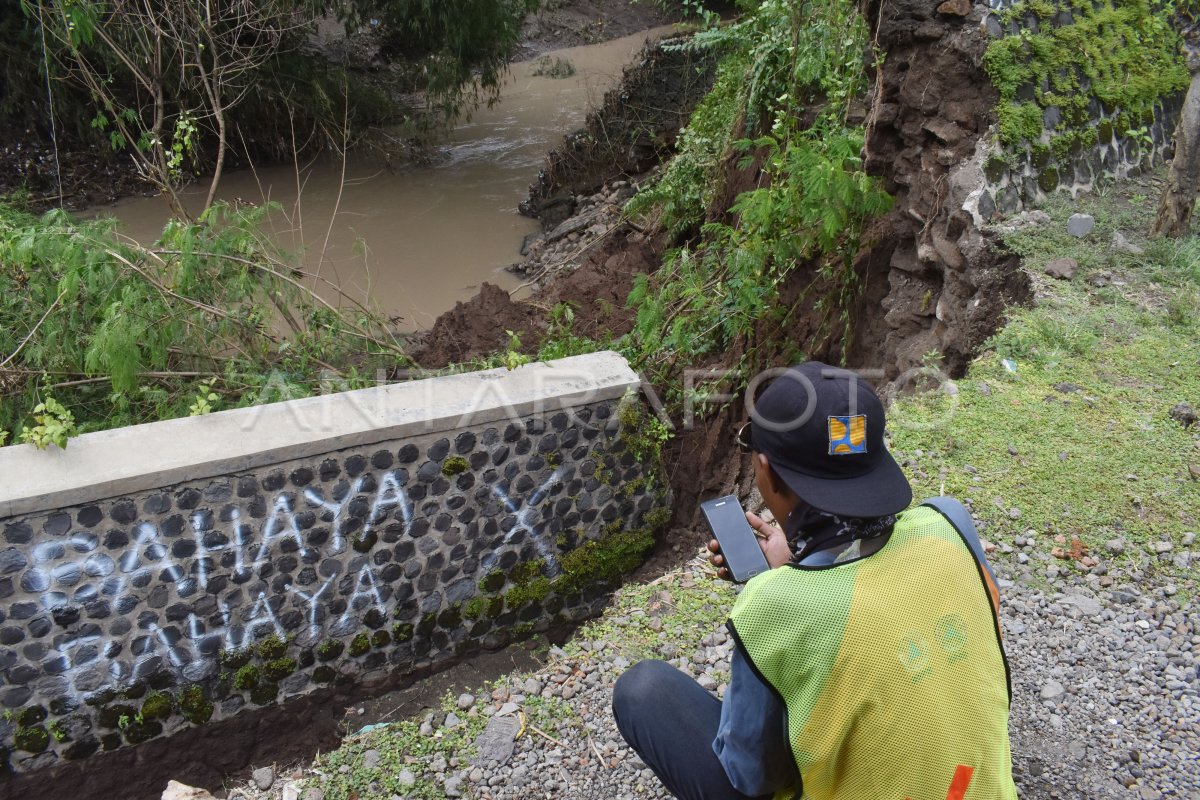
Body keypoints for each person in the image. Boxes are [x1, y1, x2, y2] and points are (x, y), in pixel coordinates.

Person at [612, 362, 1016, 800]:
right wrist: (803, 561)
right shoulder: (948, 523)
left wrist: (780, 587)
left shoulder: (773, 604)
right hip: (976, 787)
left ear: (765, 470)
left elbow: (752, 775)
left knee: (643, 690)